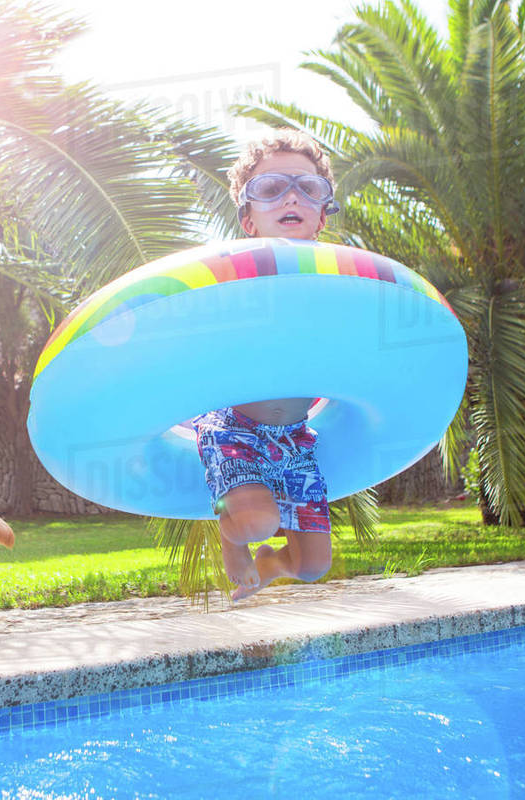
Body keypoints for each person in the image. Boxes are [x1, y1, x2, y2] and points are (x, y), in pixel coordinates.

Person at [193, 129, 341, 601]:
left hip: (296, 435)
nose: (291, 197)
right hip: (235, 424)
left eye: (308, 188)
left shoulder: (342, 284)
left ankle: (272, 562)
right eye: (271, 189)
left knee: (314, 566)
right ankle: (232, 535)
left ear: (322, 214)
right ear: (248, 219)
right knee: (258, 521)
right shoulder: (234, 280)